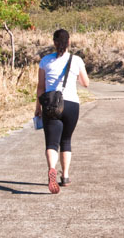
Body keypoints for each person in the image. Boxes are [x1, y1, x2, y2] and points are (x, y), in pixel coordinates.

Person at [35, 29, 89, 194]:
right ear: (69, 42)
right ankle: (65, 176)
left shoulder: (45, 61)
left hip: (51, 104)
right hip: (71, 104)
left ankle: (52, 168)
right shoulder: (76, 60)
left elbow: (41, 87)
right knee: (66, 140)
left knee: (52, 143)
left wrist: (38, 108)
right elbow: (85, 83)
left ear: (54, 42)